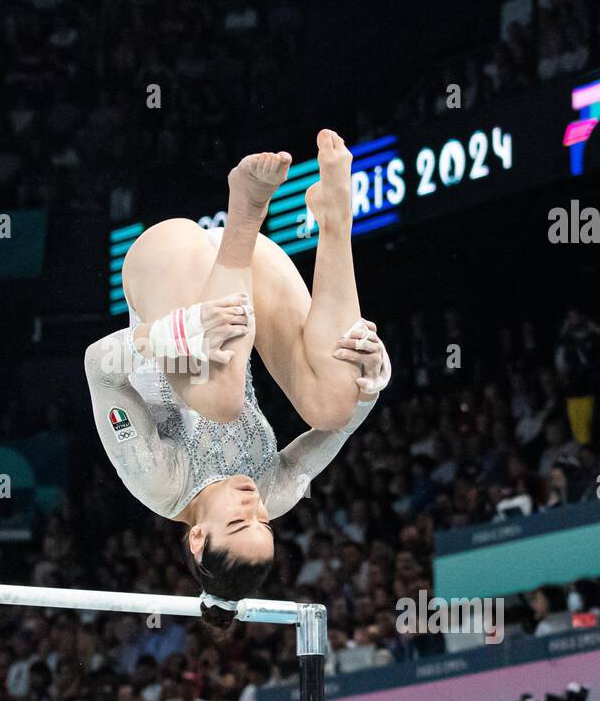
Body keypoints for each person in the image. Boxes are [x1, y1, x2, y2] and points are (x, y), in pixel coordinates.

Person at [84, 131, 392, 625]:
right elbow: (343, 425)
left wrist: (159, 338)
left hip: (168, 264)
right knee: (336, 403)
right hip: (243, 276)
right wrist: (371, 380)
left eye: (237, 521)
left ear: (199, 537)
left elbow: (98, 370)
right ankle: (335, 219)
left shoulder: (158, 481)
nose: (255, 504)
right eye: (264, 523)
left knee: (220, 398)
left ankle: (245, 210)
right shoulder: (276, 490)